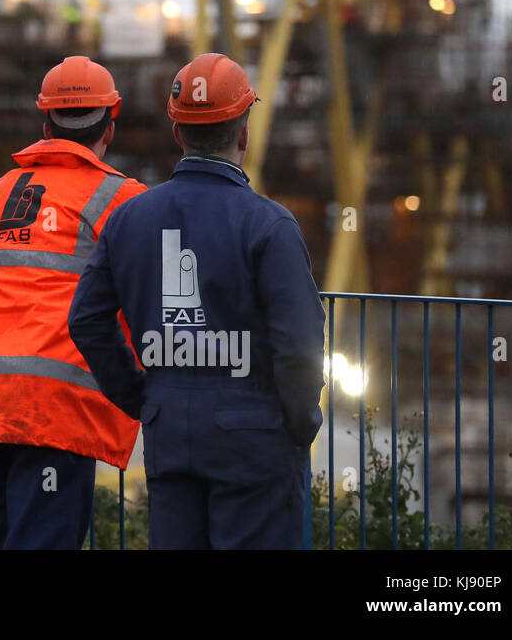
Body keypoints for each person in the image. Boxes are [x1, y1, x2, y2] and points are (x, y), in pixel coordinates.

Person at [69, 53, 326, 549]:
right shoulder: (269, 226)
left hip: (171, 438)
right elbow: (299, 344)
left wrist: (144, 401)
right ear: (244, 133)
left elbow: (87, 322)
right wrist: (301, 423)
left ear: (177, 133)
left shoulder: (129, 219)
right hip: (256, 441)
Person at [0, 56, 147, 549]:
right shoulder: (126, 199)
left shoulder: (1, 191)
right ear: (111, 122)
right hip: (52, 412)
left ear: (45, 121)